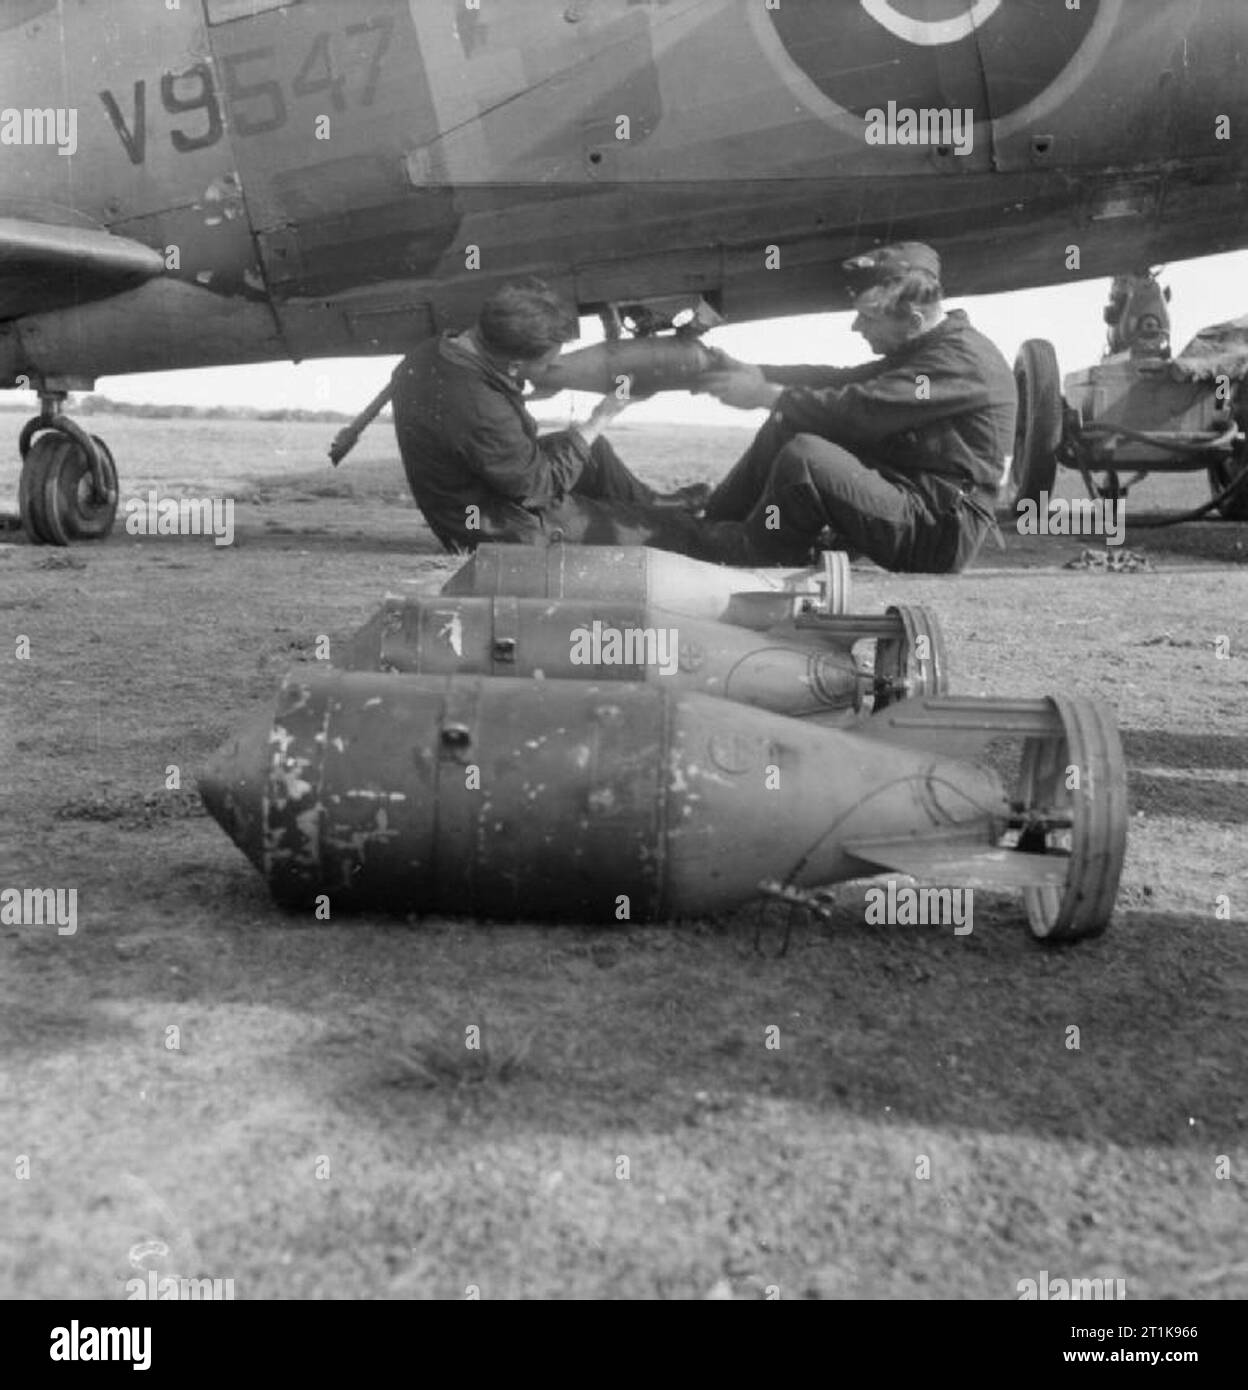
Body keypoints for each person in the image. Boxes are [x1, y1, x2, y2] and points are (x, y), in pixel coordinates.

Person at [696, 242, 1017, 572]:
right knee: (789, 422)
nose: (856, 327)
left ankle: (756, 554)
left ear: (914, 320)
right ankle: (714, 524)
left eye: (867, 317)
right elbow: (839, 381)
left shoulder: (962, 360)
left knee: (806, 459)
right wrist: (757, 373)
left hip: (937, 532)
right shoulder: (930, 346)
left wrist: (765, 395)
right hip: (912, 499)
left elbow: (859, 412)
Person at [390, 279, 708, 552]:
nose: (550, 370)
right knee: (657, 532)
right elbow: (537, 488)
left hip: (482, 488)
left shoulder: (434, 352)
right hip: (494, 525)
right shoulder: (475, 405)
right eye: (546, 364)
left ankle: (657, 504)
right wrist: (601, 416)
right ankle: (674, 523)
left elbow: (480, 411)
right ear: (514, 364)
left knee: (591, 451)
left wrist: (522, 384)